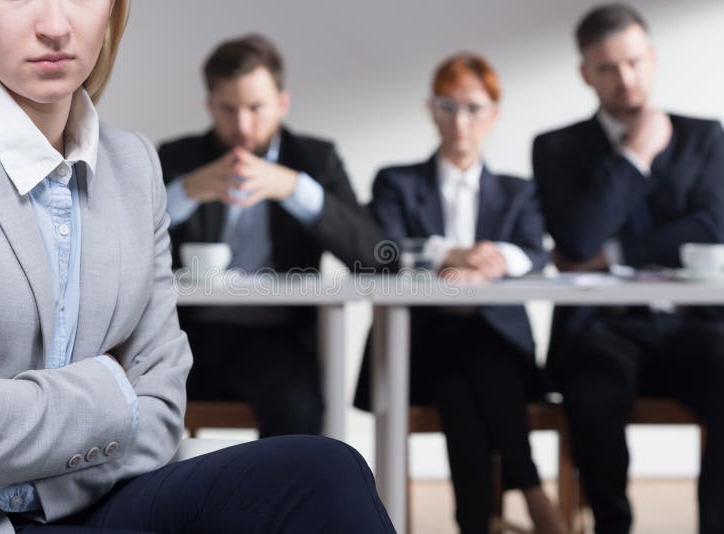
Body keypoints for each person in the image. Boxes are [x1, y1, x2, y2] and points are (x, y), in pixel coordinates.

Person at [0, 1, 395, 532]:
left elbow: (165, 412)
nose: (54, 26)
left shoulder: (133, 162)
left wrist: (29, 483)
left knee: (328, 468)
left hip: (104, 491)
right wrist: (116, 388)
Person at [353, 53, 566, 534]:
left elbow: (535, 252)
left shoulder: (517, 191)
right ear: (431, 110)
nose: (460, 121)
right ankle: (531, 492)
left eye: (473, 108)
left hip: (496, 349)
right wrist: (450, 253)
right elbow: (382, 249)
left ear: (494, 114)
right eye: (448, 107)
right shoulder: (397, 182)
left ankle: (476, 522)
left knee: (467, 379)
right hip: (418, 349)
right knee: (465, 363)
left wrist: (494, 261)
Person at [533, 4, 724, 533]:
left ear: (653, 59)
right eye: (608, 68)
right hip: (601, 329)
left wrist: (613, 254)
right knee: (592, 395)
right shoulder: (556, 147)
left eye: (635, 62)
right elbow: (577, 238)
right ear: (585, 74)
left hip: (690, 326)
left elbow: (713, 225)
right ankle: (612, 527)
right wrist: (637, 154)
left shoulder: (704, 136)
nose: (626, 79)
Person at [158, 34, 382, 438]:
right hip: (187, 338)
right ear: (210, 105)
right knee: (132, 404)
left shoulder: (315, 160)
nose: (242, 126)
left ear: (282, 103)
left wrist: (296, 189)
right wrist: (185, 192)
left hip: (279, 339)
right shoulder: (178, 159)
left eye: (256, 108)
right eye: (228, 109)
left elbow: (376, 258)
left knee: (298, 411)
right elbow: (126, 250)